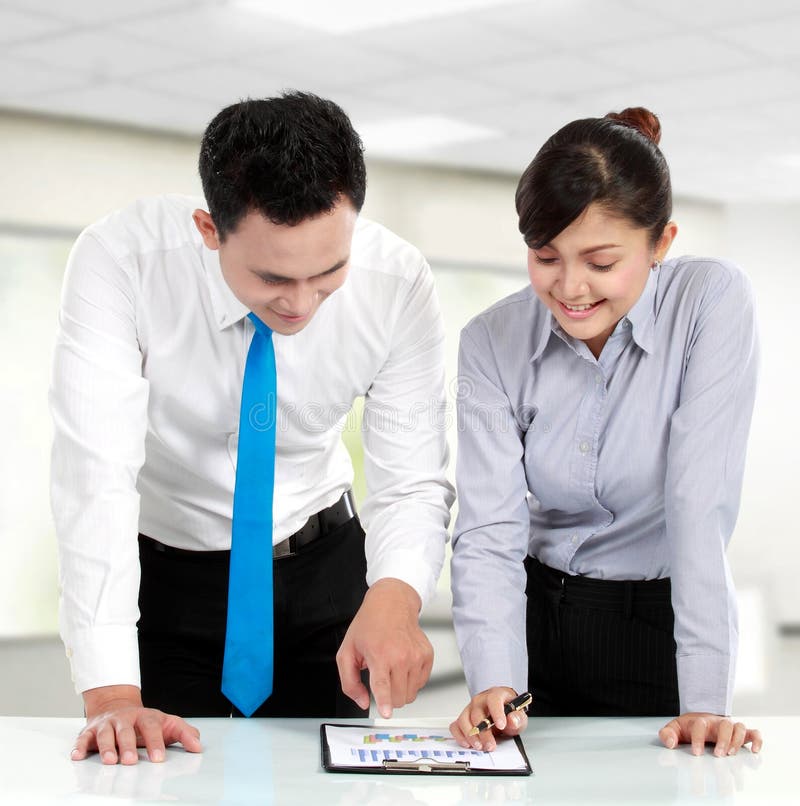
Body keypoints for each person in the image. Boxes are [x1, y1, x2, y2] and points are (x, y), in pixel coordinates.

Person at [50, 91, 454, 765]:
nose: (299, 304)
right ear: (210, 230)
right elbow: (95, 479)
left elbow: (411, 475)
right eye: (272, 277)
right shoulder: (122, 263)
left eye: (327, 275)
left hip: (325, 576)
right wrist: (113, 696)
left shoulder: (397, 282)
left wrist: (396, 593)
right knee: (163, 778)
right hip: (171, 585)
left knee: (331, 784)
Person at [449, 107, 763, 756]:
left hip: (659, 624)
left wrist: (706, 702)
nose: (570, 287)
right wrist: (494, 680)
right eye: (545, 257)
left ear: (661, 242)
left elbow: (697, 503)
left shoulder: (710, 301)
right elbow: (489, 527)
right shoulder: (490, 341)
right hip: (543, 622)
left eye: (600, 261)